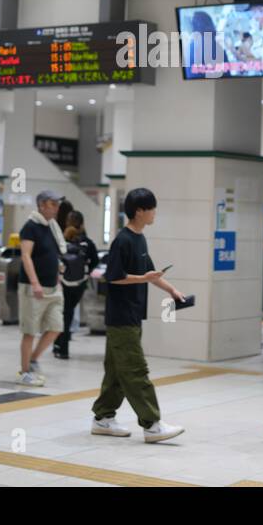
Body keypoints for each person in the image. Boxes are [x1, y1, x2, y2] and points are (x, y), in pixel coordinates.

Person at [91, 188, 186, 443]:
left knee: (116, 371)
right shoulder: (122, 241)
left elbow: (149, 273)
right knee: (134, 370)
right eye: (151, 208)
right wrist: (143, 278)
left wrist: (172, 290)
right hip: (122, 317)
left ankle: (103, 418)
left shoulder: (140, 238)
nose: (155, 213)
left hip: (132, 314)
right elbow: (115, 278)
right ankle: (152, 424)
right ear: (139, 211)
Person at [17, 190, 66, 385]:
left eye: (57, 204)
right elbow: (26, 256)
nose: (57, 208)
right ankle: (25, 372)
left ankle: (34, 359)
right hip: (33, 288)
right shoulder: (30, 227)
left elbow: (53, 256)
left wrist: (58, 276)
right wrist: (35, 283)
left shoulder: (52, 227)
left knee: (56, 327)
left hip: (53, 288)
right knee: (30, 331)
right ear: (42, 205)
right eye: (53, 204)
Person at [55, 209, 98, 360]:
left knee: (64, 313)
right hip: (79, 285)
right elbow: (95, 261)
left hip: (64, 283)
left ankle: (61, 347)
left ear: (67, 223)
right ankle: (60, 344)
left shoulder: (62, 240)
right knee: (69, 312)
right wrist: (85, 275)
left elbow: (55, 259)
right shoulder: (87, 242)